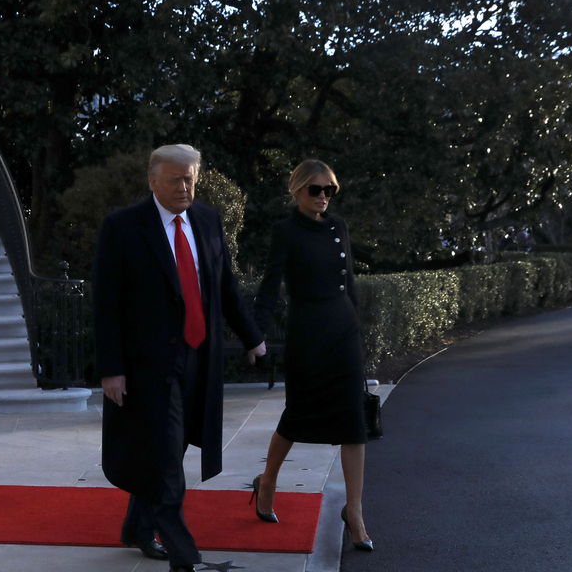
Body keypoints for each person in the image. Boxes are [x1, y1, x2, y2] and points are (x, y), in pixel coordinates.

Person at [94, 144, 267, 572]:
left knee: (167, 448)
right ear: (153, 181)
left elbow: (224, 285)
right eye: (175, 179)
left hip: (199, 359)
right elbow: (106, 303)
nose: (184, 186)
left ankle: (137, 526)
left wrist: (253, 338)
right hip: (149, 365)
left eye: (190, 177)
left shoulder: (207, 220)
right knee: (168, 455)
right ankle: (182, 553)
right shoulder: (123, 228)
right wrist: (111, 369)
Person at [250, 159, 374, 552]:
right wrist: (256, 333)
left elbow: (349, 281)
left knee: (355, 419)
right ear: (297, 191)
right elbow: (271, 285)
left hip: (343, 331)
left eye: (329, 190)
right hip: (308, 333)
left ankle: (354, 511)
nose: (323, 197)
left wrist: (359, 331)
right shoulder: (284, 231)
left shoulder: (338, 227)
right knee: (297, 416)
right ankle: (267, 480)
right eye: (315, 190)